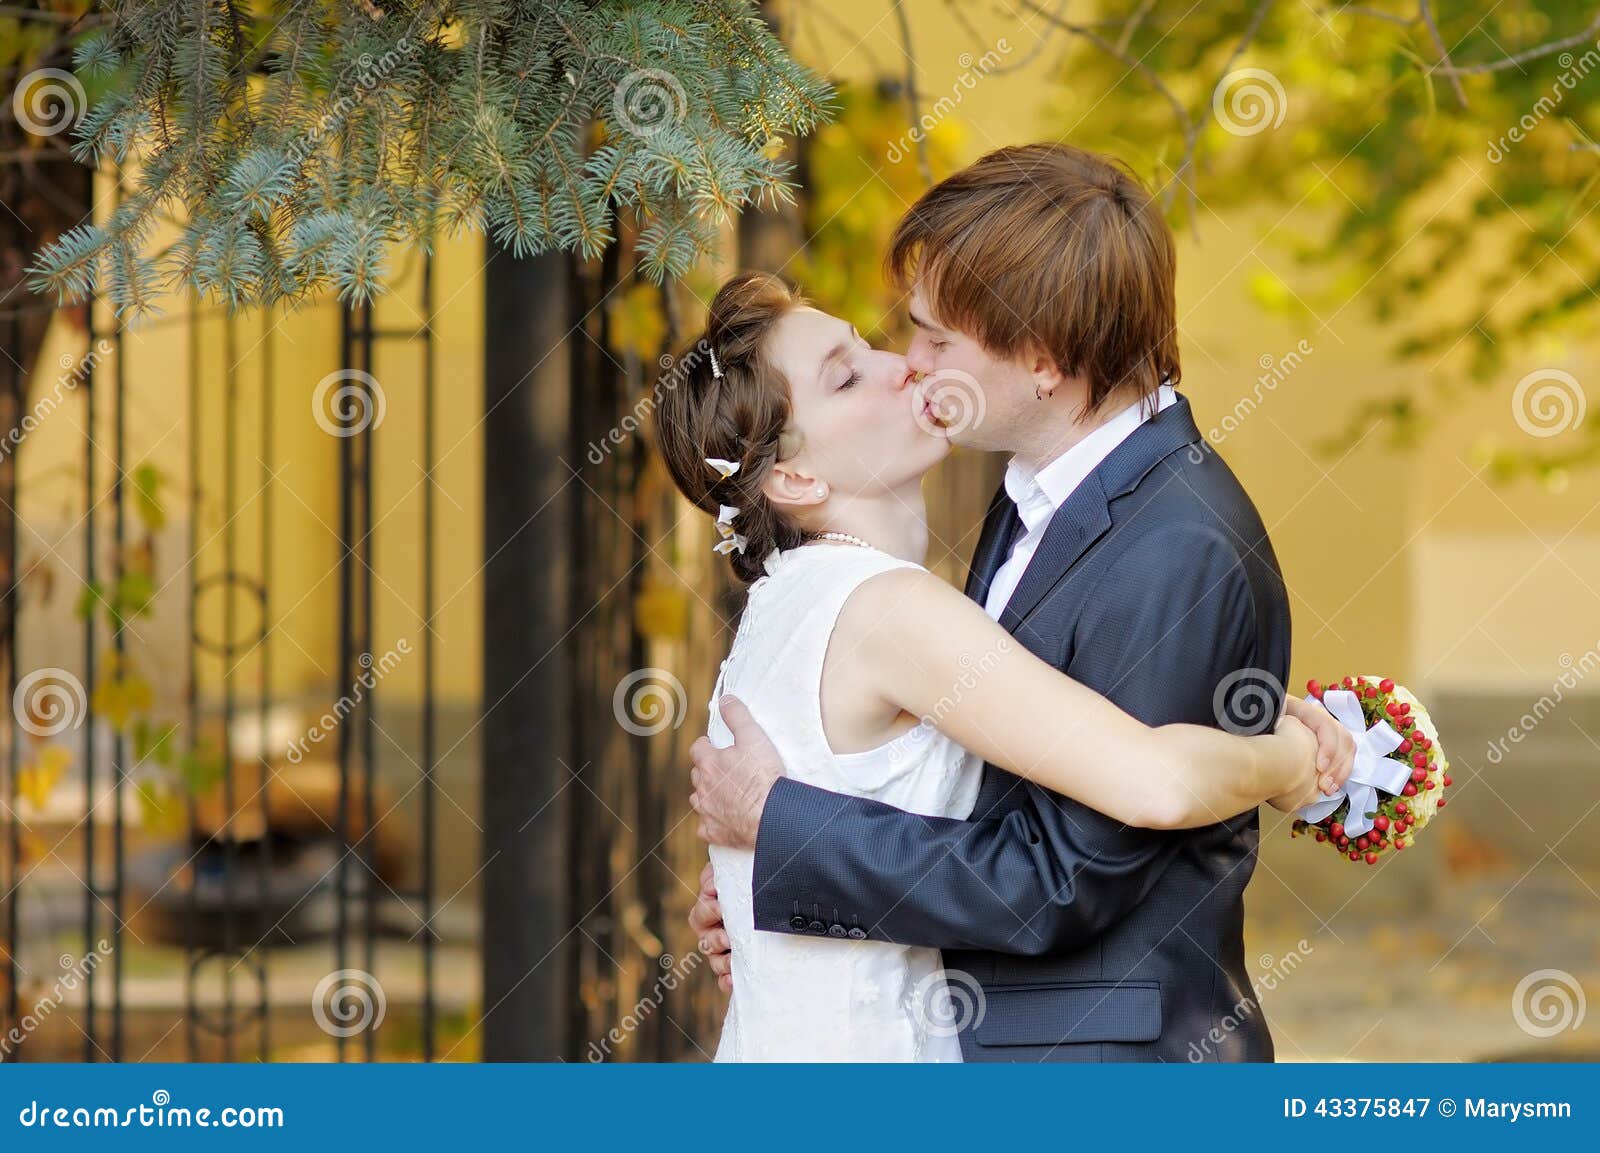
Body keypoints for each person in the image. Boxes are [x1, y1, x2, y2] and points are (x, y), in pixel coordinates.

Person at [658, 215, 1352, 1060]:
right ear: (796, 476)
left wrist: (775, 856)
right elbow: (1155, 786)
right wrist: (1295, 759)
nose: (902, 363)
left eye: (873, 343)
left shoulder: (790, 603)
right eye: (847, 379)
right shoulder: (888, 608)